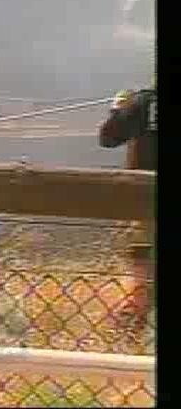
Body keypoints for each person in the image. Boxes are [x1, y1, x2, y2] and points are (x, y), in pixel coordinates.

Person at [98, 79, 156, 327]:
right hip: (144, 201)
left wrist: (118, 109)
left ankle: (132, 320)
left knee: (141, 259)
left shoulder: (143, 101)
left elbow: (108, 138)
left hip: (144, 200)